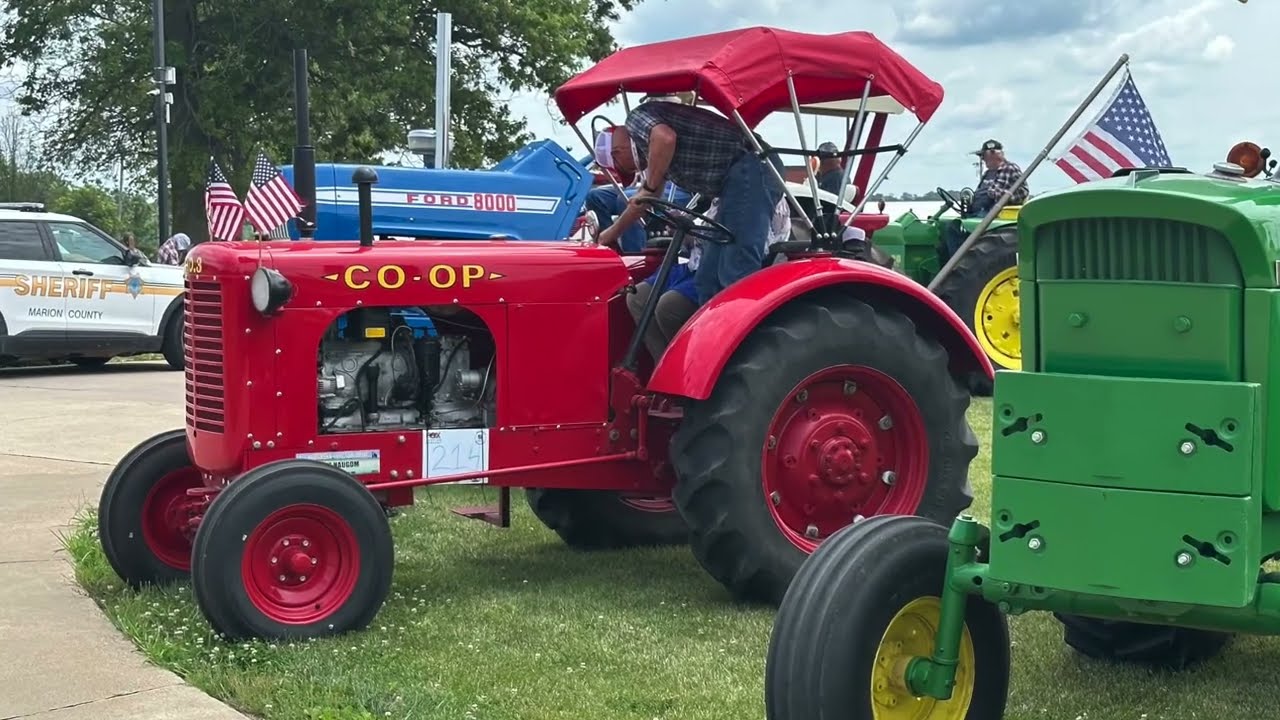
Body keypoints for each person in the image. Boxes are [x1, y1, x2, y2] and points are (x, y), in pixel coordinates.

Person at [593, 100, 785, 357]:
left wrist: (612, 231)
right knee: (707, 281)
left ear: (617, 152)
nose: (636, 168)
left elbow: (666, 137)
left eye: (627, 167)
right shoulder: (651, 151)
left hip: (751, 163)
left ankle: (737, 360)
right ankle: (691, 367)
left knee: (734, 272)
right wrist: (610, 235)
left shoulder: (638, 120)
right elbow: (647, 197)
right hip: (731, 179)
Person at [940, 139, 1029, 259]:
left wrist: (993, 193)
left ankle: (958, 262)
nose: (982, 160)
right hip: (981, 212)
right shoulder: (988, 173)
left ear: (994, 154)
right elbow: (979, 193)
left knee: (954, 228)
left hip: (995, 213)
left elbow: (1022, 193)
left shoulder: (1009, 169)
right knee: (949, 226)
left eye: (984, 156)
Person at [583, 173, 693, 253]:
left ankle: (635, 254)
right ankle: (609, 250)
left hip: (684, 190)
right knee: (595, 196)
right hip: (659, 182)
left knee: (629, 200)